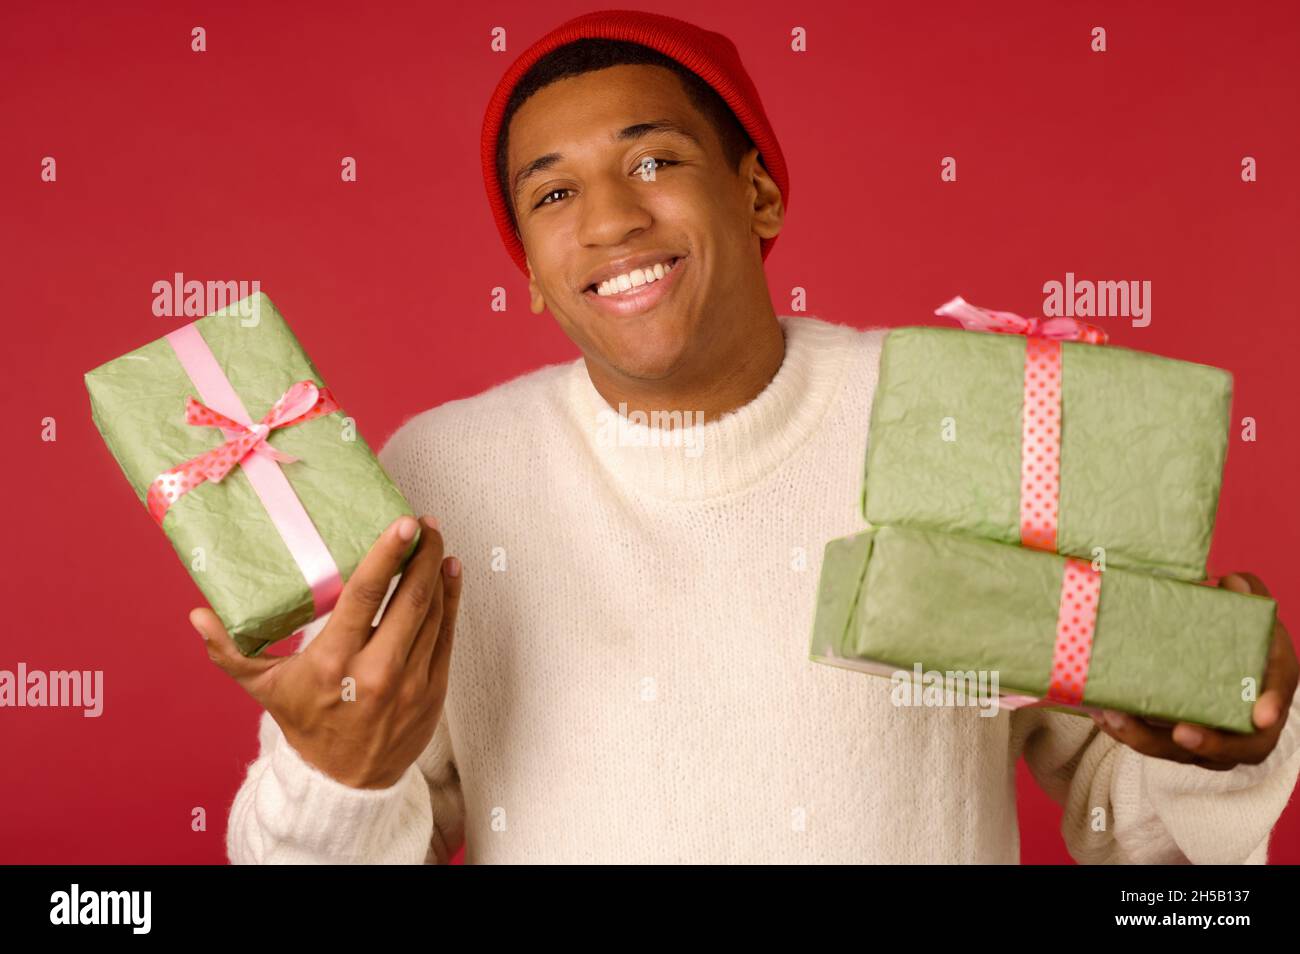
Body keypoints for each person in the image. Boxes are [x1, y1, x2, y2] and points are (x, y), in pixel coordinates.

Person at [193, 10, 1300, 864]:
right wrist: (330, 774)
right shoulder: (439, 475)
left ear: (759, 194)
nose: (612, 219)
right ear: (529, 273)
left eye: (655, 160)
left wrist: (1228, 749)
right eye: (552, 194)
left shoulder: (952, 416)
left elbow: (1140, 845)